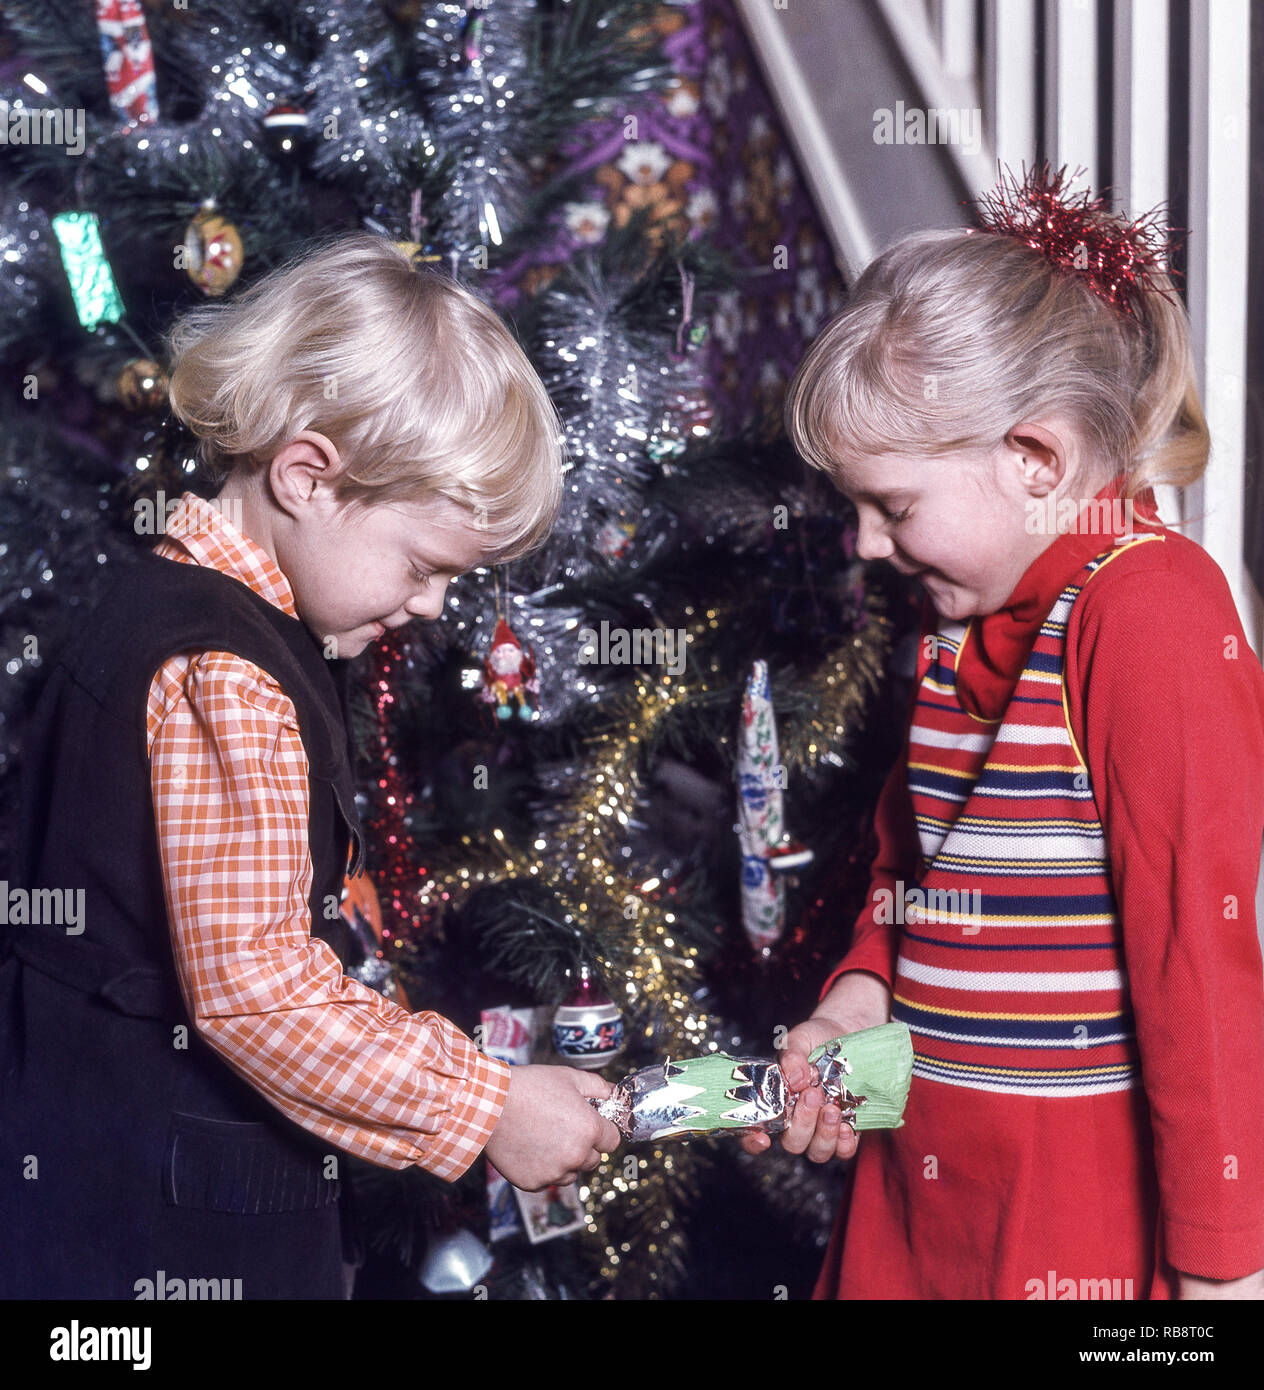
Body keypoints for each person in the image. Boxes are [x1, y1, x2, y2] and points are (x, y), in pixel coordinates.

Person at [0, 233, 621, 1299]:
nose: (430, 605)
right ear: (306, 476)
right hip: (163, 1223)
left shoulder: (169, 602)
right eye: (425, 566)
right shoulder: (221, 672)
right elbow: (256, 993)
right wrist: (488, 1105)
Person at [743, 168, 1264, 1301]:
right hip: (914, 1210)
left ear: (1032, 463)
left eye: (894, 505)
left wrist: (1224, 1272)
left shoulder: (1149, 608)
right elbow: (911, 890)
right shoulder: (953, 629)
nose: (871, 546)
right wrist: (852, 1004)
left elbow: (1196, 956)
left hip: (1078, 1227)